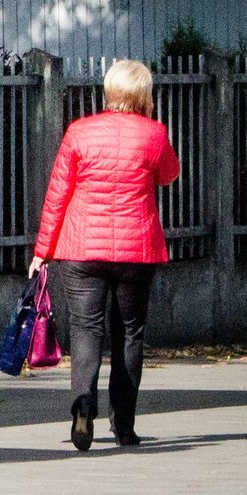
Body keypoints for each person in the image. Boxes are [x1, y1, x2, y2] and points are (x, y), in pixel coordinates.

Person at [30, 58, 180, 451]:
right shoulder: (155, 133)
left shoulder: (80, 132)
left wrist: (42, 250)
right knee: (129, 333)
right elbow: (168, 174)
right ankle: (125, 426)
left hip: (81, 250)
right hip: (137, 250)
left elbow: (57, 194)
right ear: (144, 95)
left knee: (85, 329)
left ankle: (83, 403)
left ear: (109, 91)